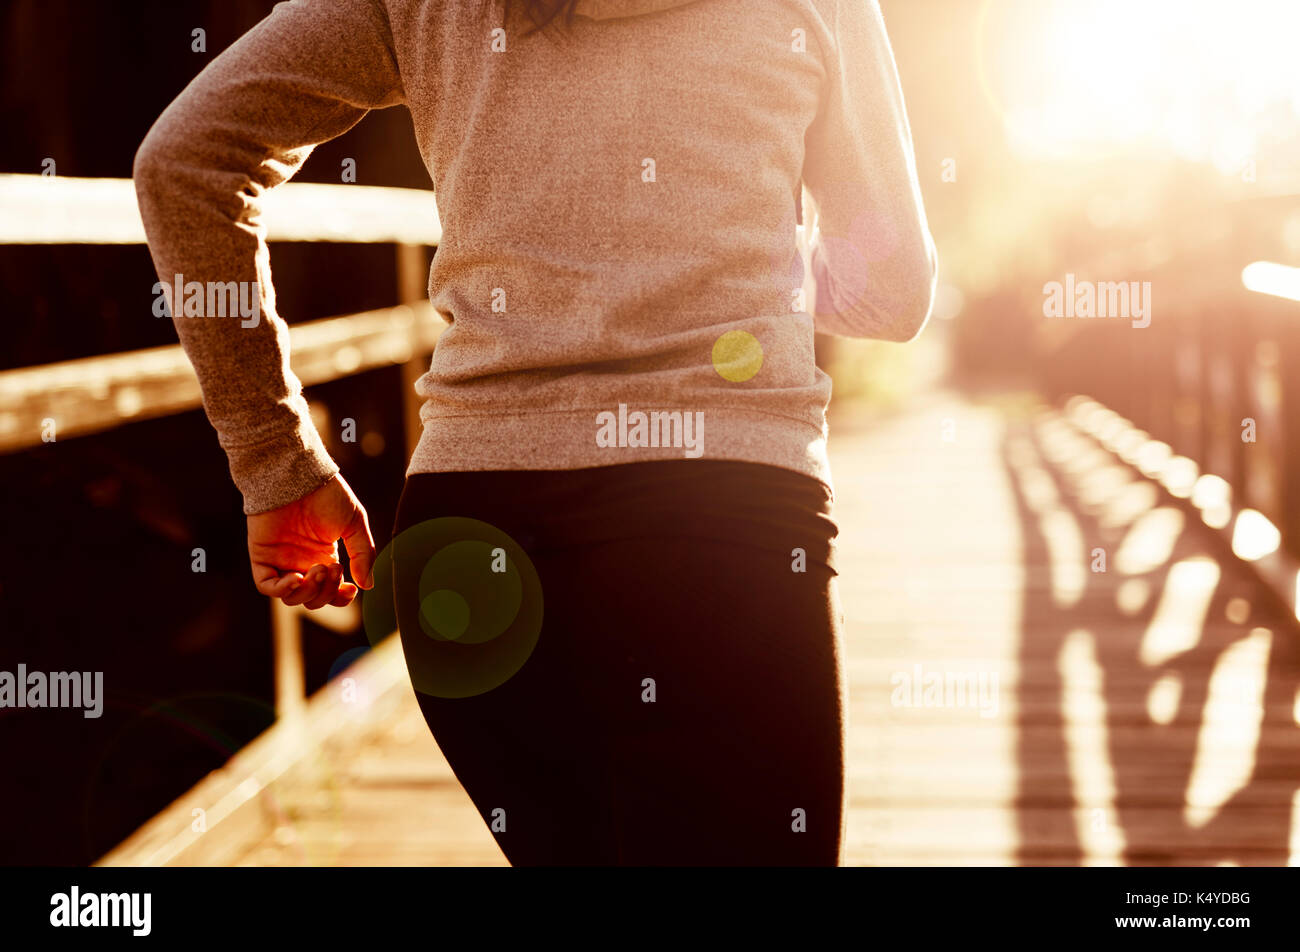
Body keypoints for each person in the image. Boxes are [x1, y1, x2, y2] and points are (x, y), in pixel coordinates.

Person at [133, 0, 937, 866]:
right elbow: (892, 288)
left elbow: (185, 164)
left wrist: (275, 458)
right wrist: (730, 263)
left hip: (475, 544)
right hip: (726, 527)